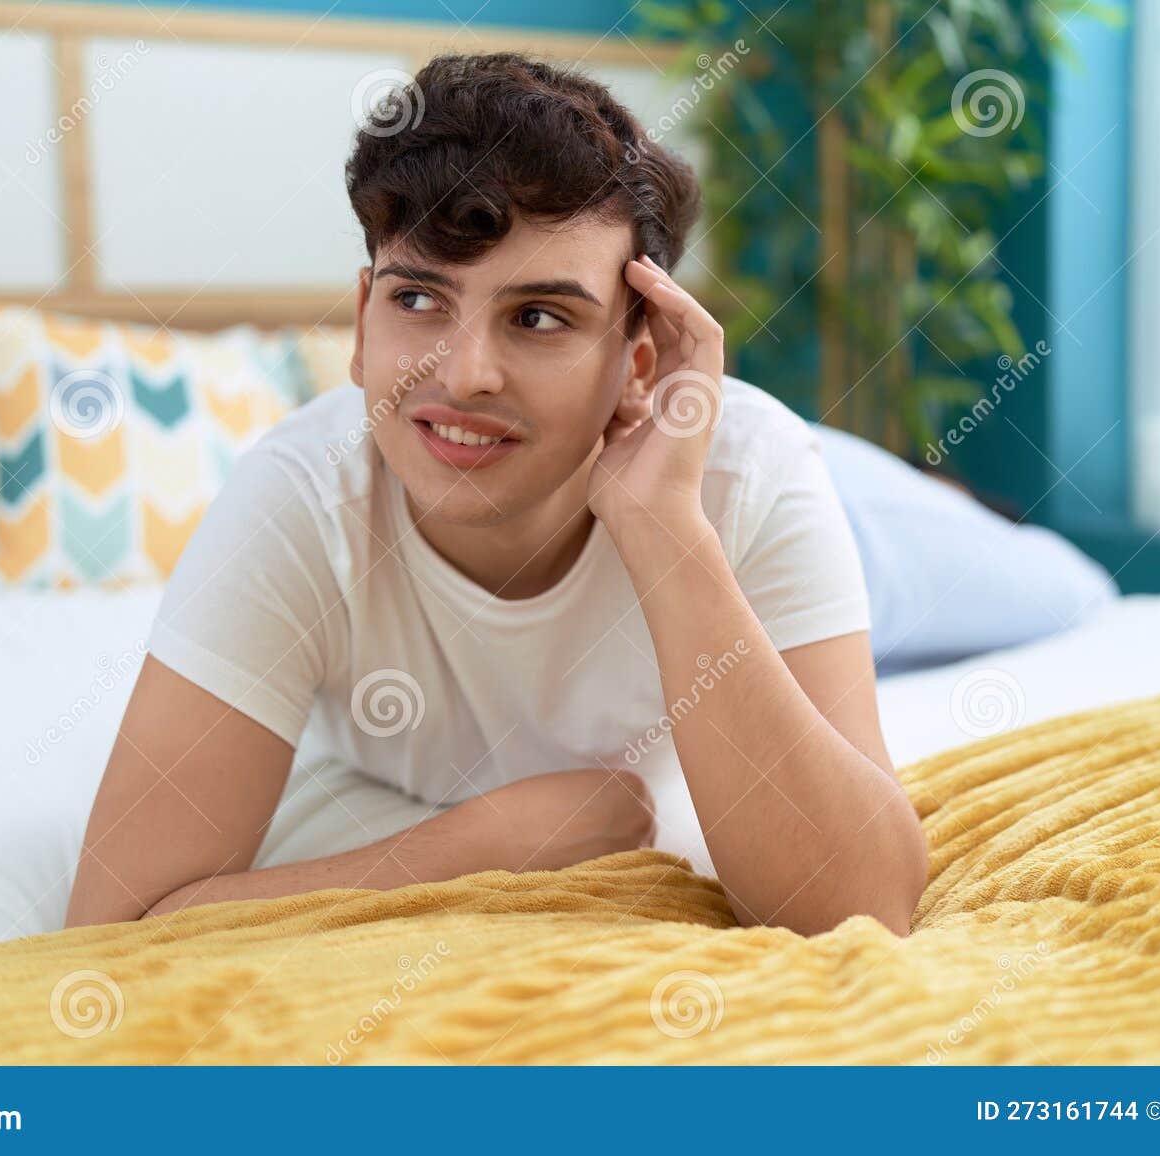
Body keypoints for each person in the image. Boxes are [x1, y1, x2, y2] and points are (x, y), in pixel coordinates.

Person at [64, 52, 927, 937]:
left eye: (540, 317)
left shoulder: (752, 469)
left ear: (638, 367)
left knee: (1006, 576)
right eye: (419, 300)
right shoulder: (299, 499)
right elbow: (115, 927)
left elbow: (864, 908)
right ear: (362, 326)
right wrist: (475, 843)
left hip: (820, 506)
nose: (466, 375)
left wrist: (665, 524)